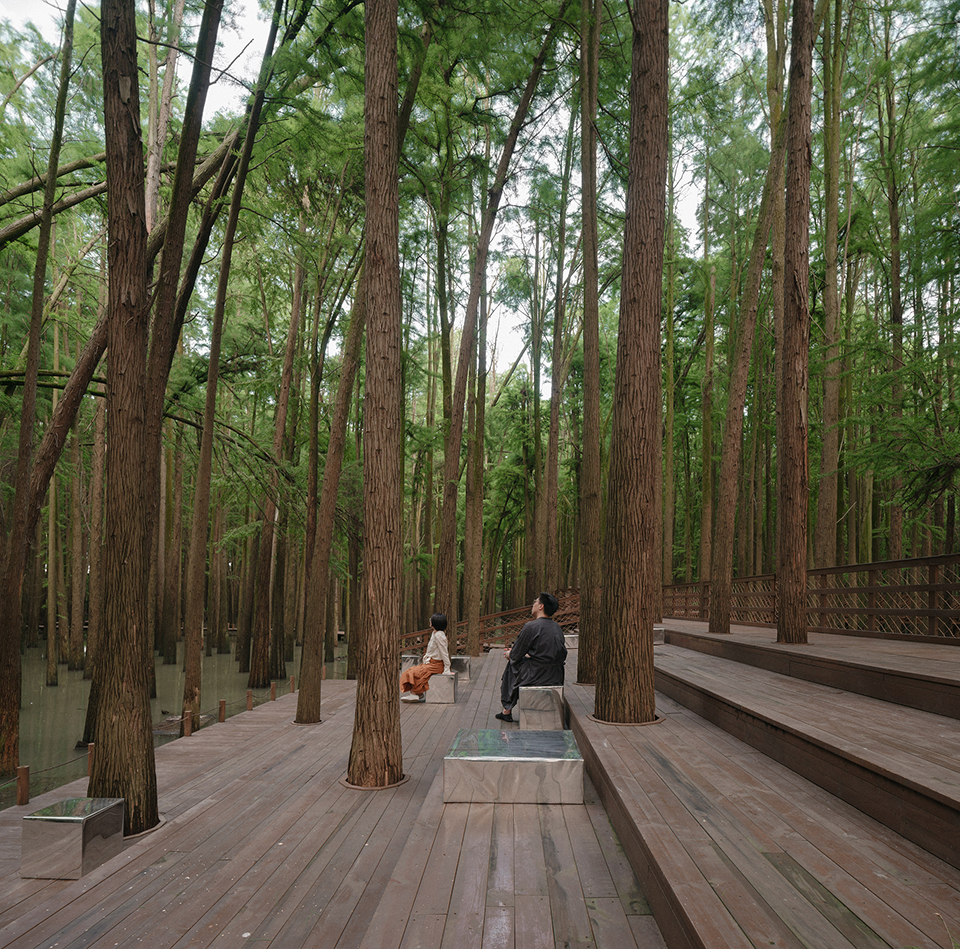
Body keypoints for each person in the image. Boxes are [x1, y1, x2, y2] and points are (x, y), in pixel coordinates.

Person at [496, 592, 566, 722]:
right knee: (520, 662)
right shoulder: (557, 627)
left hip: (536, 674)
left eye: (535, 602)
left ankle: (507, 710)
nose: (533, 604)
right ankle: (507, 709)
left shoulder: (531, 626)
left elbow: (516, 655)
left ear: (541, 606)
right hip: (555, 674)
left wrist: (509, 654)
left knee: (512, 665)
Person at [400, 613, 451, 702]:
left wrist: (447, 668)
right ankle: (418, 694)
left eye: (431, 619)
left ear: (435, 622)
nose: (429, 621)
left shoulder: (439, 635)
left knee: (414, 673)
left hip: (435, 665)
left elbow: (444, 652)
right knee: (411, 671)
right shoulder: (434, 633)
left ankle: (415, 694)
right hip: (430, 663)